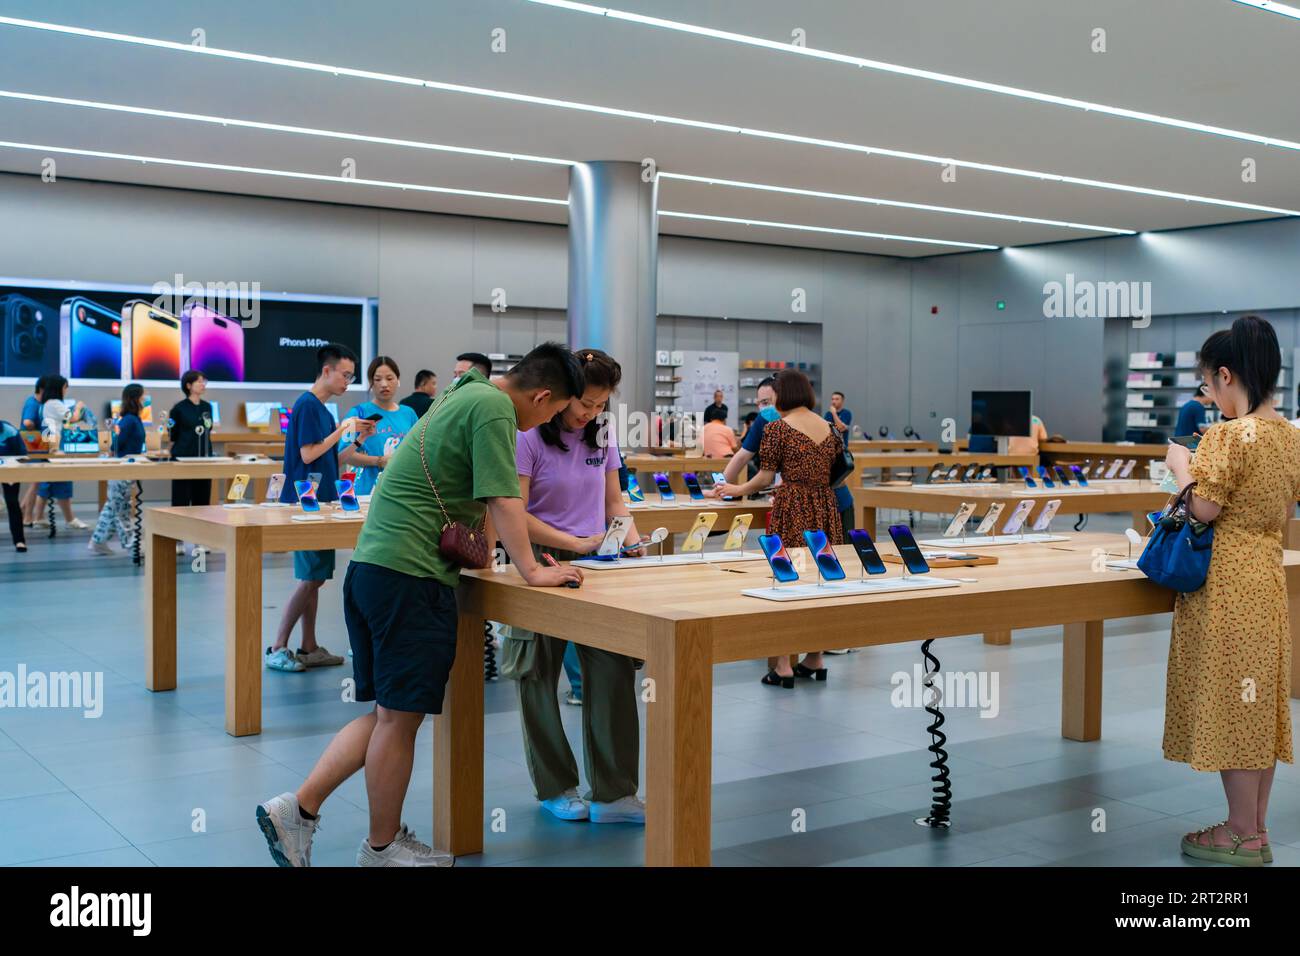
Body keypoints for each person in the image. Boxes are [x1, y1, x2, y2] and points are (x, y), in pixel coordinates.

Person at [256, 342, 584, 867]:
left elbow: (466, 490)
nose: (545, 423)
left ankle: (299, 810)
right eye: (554, 413)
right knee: (398, 720)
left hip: (373, 570)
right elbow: (503, 498)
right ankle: (380, 847)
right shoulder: (496, 409)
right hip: (411, 579)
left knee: (389, 715)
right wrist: (533, 570)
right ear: (543, 396)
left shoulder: (466, 389)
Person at [1163, 315, 1300, 867]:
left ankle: (1239, 831)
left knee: (1229, 703)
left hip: (1225, 585)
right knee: (1257, 703)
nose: (1209, 396)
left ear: (1226, 376)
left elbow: (1205, 509)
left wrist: (1181, 466)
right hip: (1267, 578)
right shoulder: (1290, 436)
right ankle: (1256, 828)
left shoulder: (1224, 435)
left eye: (1207, 385)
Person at [509, 349, 644, 824]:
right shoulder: (528, 436)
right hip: (539, 560)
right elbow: (514, 513)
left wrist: (630, 538)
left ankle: (615, 792)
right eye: (584, 403)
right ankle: (555, 785)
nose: (591, 413)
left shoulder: (602, 432)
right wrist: (571, 541)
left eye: (601, 404)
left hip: (597, 560)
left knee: (612, 672)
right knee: (537, 674)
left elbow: (614, 498)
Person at [713, 370, 842, 687]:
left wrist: (735, 490)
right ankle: (815, 657)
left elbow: (765, 477)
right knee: (821, 579)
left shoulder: (778, 429)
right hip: (825, 507)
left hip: (793, 508)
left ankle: (783, 663)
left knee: (786, 579)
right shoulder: (828, 427)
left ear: (783, 395)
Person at [265, 344, 376, 674]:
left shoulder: (322, 411)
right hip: (306, 503)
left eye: (352, 376)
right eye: (345, 375)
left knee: (313, 577)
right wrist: (343, 430)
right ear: (326, 371)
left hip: (318, 501)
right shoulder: (309, 406)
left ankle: (309, 646)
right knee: (310, 579)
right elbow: (309, 455)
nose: (348, 382)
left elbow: (330, 459)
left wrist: (354, 441)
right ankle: (278, 646)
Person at [339, 356, 417, 497]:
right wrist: (378, 461)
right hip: (367, 492)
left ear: (398, 380)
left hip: (402, 489)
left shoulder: (409, 414)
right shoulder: (357, 413)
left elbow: (418, 451)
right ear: (370, 383)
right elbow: (343, 455)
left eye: (389, 378)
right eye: (377, 379)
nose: (384, 384)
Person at [88, 384, 146, 555]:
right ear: (136, 397)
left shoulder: (132, 418)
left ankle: (97, 541)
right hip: (122, 468)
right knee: (120, 508)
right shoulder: (128, 420)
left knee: (113, 506)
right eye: (143, 395)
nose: (145, 398)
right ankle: (131, 545)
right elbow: (116, 443)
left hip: (128, 466)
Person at [32, 376, 89, 531]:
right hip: (55, 449)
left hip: (49, 446)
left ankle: (38, 517)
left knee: (47, 482)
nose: (66, 390)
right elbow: (73, 418)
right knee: (63, 481)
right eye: (65, 387)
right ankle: (70, 519)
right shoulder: (55, 404)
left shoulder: (45, 404)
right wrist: (79, 407)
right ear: (59, 388)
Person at [722, 376, 776, 486]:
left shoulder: (796, 423)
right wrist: (720, 486)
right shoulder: (762, 420)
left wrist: (738, 490)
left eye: (772, 401)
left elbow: (765, 478)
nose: (769, 407)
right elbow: (742, 456)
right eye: (764, 403)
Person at [824, 391, 856, 538]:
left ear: (842, 401)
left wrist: (834, 413)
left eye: (836, 399)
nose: (834, 401)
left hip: (842, 453)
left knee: (841, 483)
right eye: (832, 399)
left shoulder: (846, 413)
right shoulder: (827, 415)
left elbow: (841, 428)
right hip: (830, 453)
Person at [18, 376, 46, 526]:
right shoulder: (33, 403)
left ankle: (23, 509)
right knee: (36, 481)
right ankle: (27, 516)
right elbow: (27, 422)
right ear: (42, 389)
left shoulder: (39, 403)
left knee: (37, 481)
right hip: (32, 446)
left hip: (37, 446)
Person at [0, 420, 27, 551]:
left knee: (12, 502)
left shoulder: (9, 430)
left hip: (10, 468)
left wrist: (13, 469)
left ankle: (19, 541)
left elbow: (22, 454)